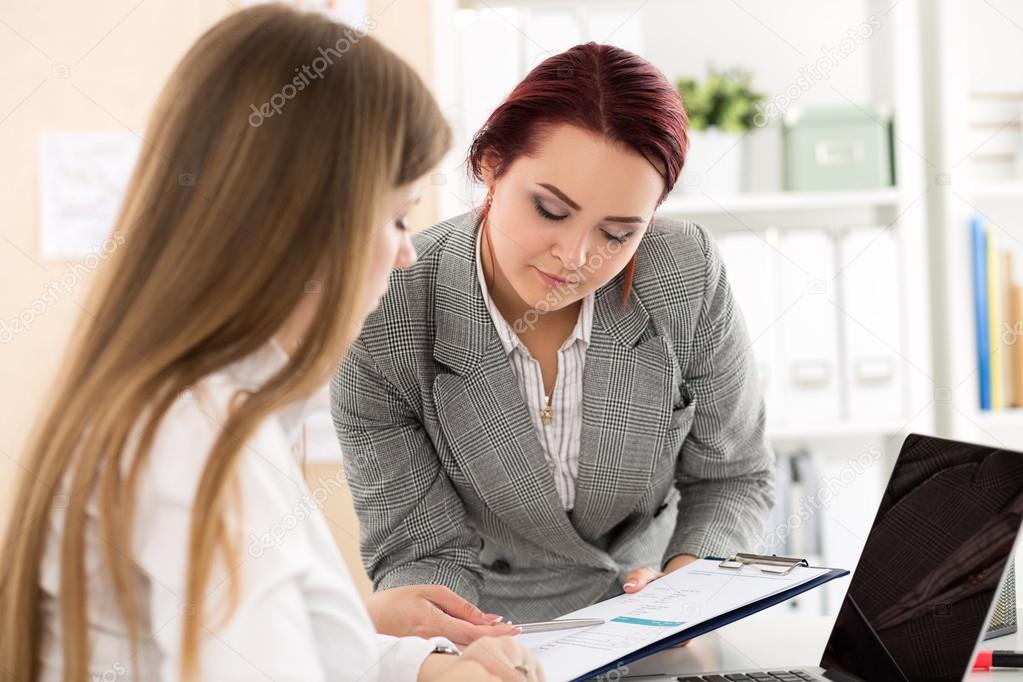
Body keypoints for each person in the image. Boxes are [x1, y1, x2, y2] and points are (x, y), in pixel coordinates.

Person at [0, 6, 539, 681]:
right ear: (312, 224)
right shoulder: (196, 440)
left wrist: (427, 668)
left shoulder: (191, 407)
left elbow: (285, 647)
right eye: (397, 217)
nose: (406, 255)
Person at [333, 42, 776, 632]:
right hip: (493, 637)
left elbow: (734, 477)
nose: (575, 258)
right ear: (491, 165)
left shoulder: (684, 272)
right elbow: (420, 549)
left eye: (617, 235)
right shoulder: (386, 315)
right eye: (549, 210)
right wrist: (468, 648)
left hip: (663, 630)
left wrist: (689, 583)